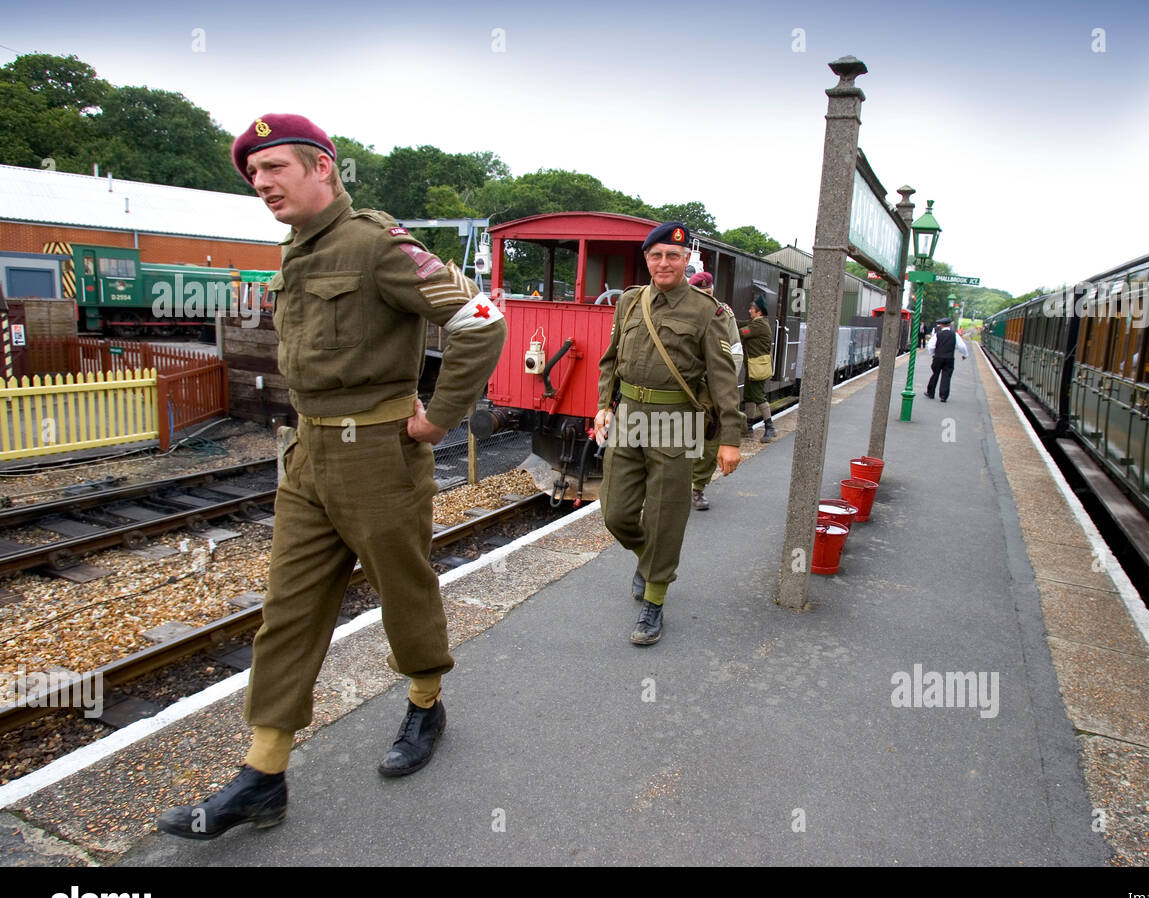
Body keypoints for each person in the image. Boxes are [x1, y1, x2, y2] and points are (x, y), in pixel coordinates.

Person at [156, 113, 506, 840]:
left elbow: (480, 321)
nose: (261, 183)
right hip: (307, 456)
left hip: (379, 453)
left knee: (403, 591)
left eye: (275, 167)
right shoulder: (294, 256)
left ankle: (424, 701)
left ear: (323, 167)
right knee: (287, 612)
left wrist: (439, 419)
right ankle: (263, 775)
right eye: (253, 174)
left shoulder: (375, 245)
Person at [593, 222, 742, 645]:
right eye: (657, 255)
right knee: (616, 513)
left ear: (685, 260)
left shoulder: (706, 311)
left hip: (677, 421)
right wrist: (605, 404)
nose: (664, 263)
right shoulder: (628, 303)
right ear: (647, 259)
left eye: (673, 256)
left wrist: (729, 438)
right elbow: (610, 360)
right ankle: (648, 559)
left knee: (665, 514)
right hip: (628, 417)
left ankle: (654, 602)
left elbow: (723, 379)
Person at [687, 271, 743, 511]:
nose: (706, 298)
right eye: (702, 293)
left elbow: (736, 350)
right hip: (683, 386)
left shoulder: (722, 313)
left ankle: (697, 488)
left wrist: (719, 385)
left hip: (710, 387)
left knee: (710, 439)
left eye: (709, 293)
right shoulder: (679, 309)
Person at [739, 295, 776, 440]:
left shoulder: (759, 325)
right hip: (753, 366)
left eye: (751, 309)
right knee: (749, 395)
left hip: (757, 366)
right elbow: (742, 324)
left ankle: (770, 427)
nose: (749, 311)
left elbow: (743, 332)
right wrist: (728, 318)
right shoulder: (757, 323)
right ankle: (748, 427)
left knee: (758, 396)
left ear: (759, 312)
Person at [924, 316, 968, 402]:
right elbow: (962, 346)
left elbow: (930, 346)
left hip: (938, 357)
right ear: (949, 325)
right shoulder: (955, 335)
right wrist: (964, 355)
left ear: (941, 325)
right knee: (946, 376)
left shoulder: (937, 335)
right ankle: (943, 396)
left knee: (935, 374)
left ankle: (930, 393)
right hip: (949, 358)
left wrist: (933, 354)